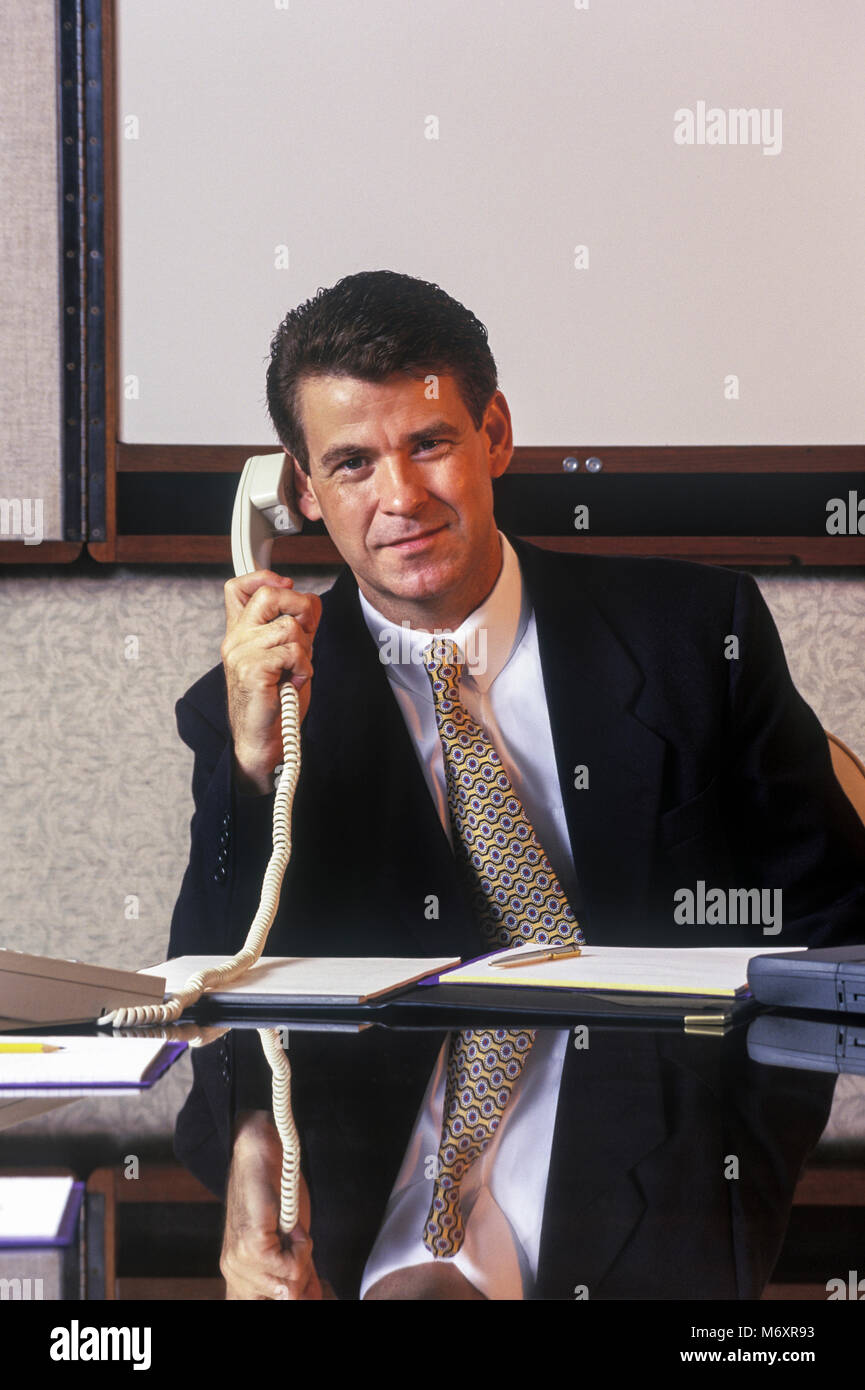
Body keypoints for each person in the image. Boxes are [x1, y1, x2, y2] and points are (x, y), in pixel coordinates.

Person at [168, 270, 865, 1300]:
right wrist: (253, 763)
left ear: (494, 432)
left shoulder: (693, 637)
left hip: (654, 1182)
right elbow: (209, 990)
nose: (398, 497)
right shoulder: (254, 700)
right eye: (352, 463)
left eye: (430, 443)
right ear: (302, 495)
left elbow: (834, 918)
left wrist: (742, 1171)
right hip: (370, 1196)